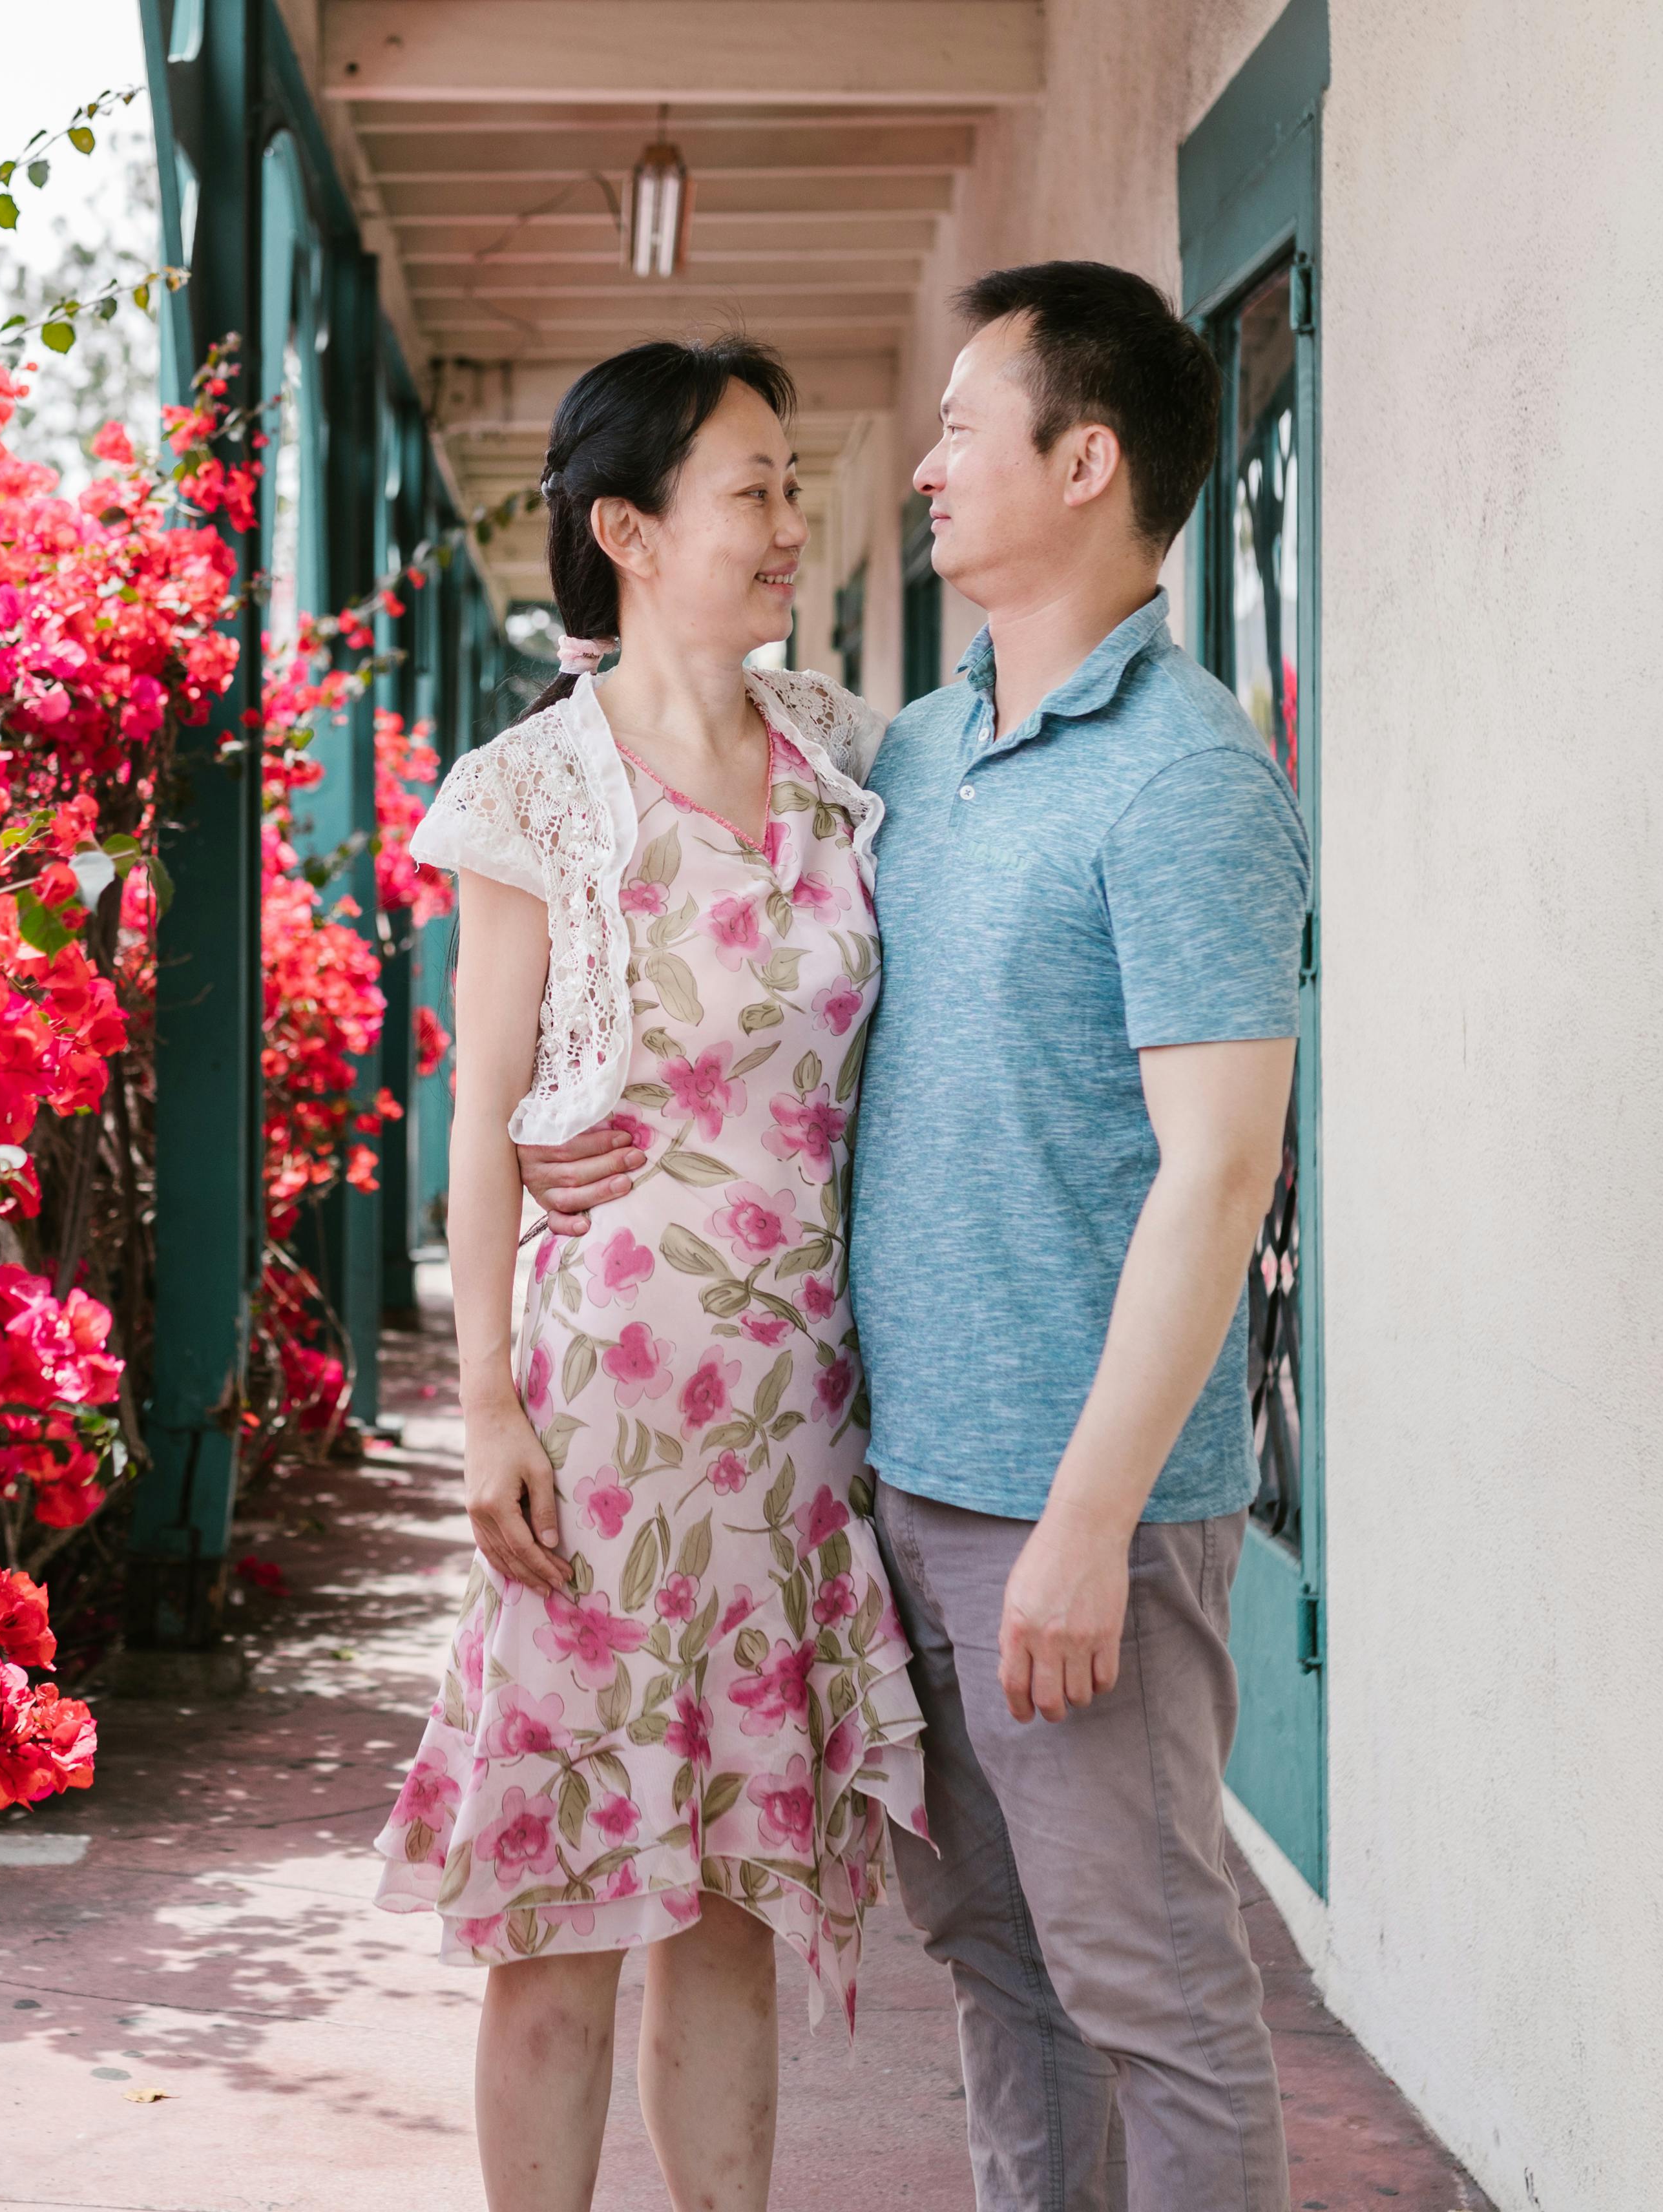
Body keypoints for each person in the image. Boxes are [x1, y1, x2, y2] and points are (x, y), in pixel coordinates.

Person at [524, 264, 1310, 2211]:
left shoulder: (1190, 779)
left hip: (1077, 1507)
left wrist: (1089, 1521)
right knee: (1004, 1972)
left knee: (1151, 1990)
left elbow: (1223, 1174)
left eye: (966, 427)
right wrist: (573, 1115)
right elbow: (737, 946)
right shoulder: (915, 757)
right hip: (901, 1486)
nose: (927, 469)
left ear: (1088, 461)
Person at [373, 336, 927, 2212]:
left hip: (795, 1440)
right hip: (603, 1435)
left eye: (791, 484)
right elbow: (483, 1117)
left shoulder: (846, 758)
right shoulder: (537, 789)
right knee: (565, 1911)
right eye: (753, 489)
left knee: (730, 1906)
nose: (791, 522)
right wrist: (485, 1416)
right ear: (628, 528)